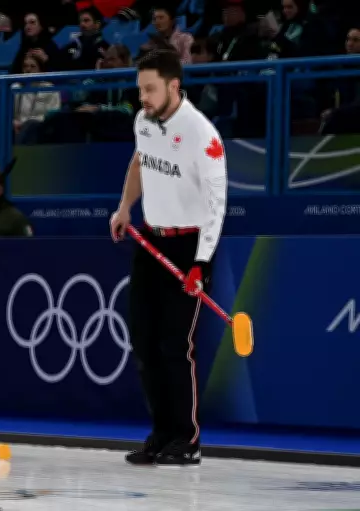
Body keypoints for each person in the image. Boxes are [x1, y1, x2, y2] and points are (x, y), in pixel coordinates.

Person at [109, 50, 227, 466]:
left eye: (150, 89)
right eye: (140, 88)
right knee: (144, 341)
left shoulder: (202, 134)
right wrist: (125, 207)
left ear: (174, 86)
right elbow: (140, 161)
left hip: (189, 246)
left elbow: (217, 205)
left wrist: (202, 262)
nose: (142, 96)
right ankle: (161, 433)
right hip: (151, 243)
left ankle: (187, 439)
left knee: (175, 344)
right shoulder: (144, 121)